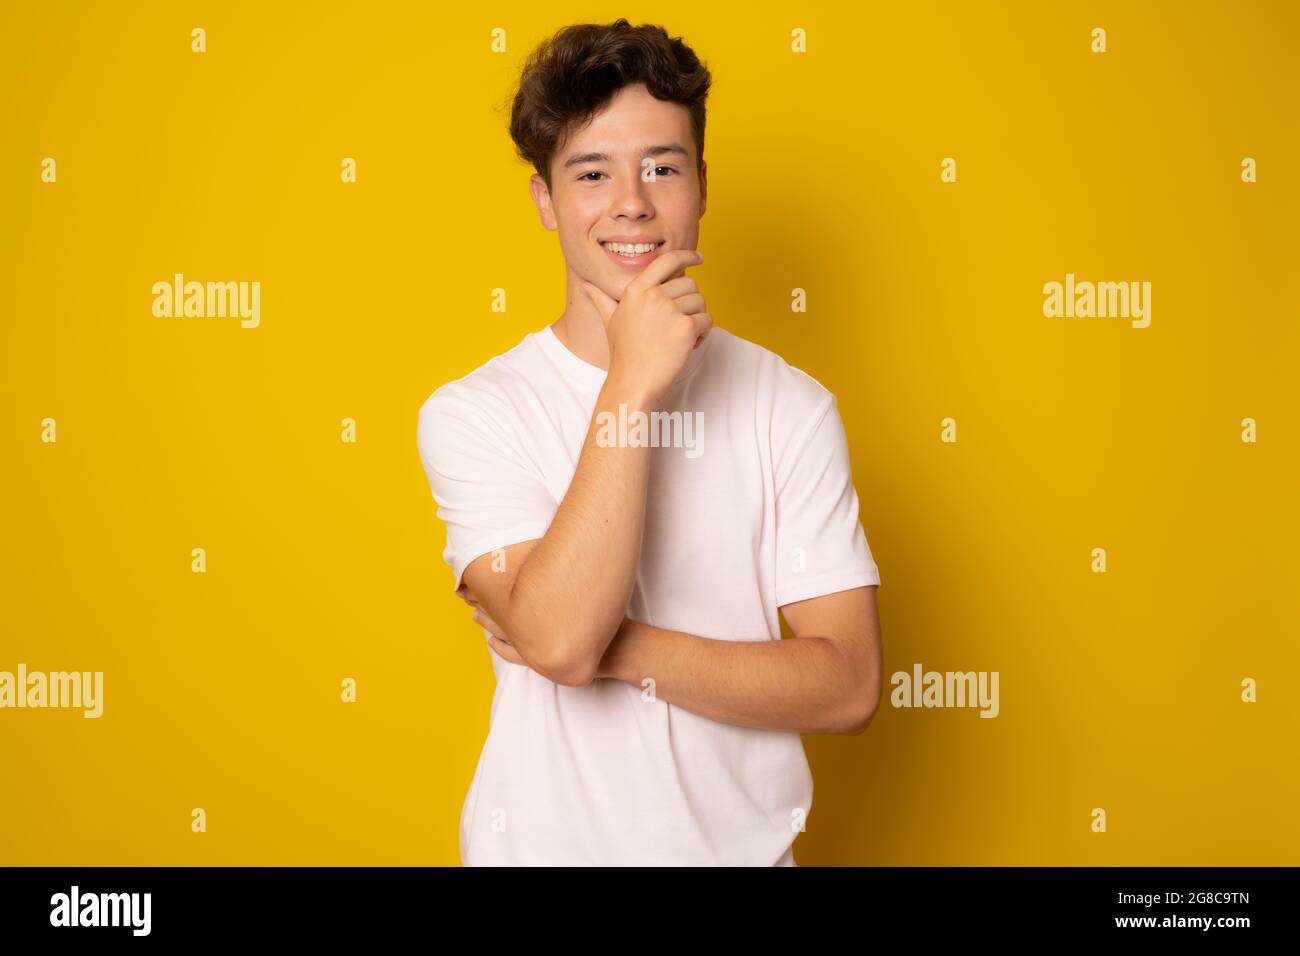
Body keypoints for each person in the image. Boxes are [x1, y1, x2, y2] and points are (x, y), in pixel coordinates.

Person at [417, 18, 883, 866]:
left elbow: (849, 685)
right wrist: (630, 384)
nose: (631, 202)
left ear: (702, 185)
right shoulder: (475, 411)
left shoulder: (790, 406)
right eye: (592, 173)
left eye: (662, 168)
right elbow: (557, 640)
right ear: (546, 202)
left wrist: (605, 646)